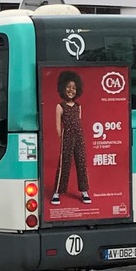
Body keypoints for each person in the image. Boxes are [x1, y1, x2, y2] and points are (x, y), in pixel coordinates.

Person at [51, 71, 90, 205]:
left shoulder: (79, 107)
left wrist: (77, 136)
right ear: (63, 88)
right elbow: (58, 127)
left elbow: (79, 122)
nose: (71, 90)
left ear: (77, 89)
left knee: (81, 163)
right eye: (68, 87)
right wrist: (63, 139)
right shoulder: (60, 106)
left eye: (73, 87)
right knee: (64, 165)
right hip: (66, 137)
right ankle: (57, 192)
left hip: (79, 137)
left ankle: (84, 191)